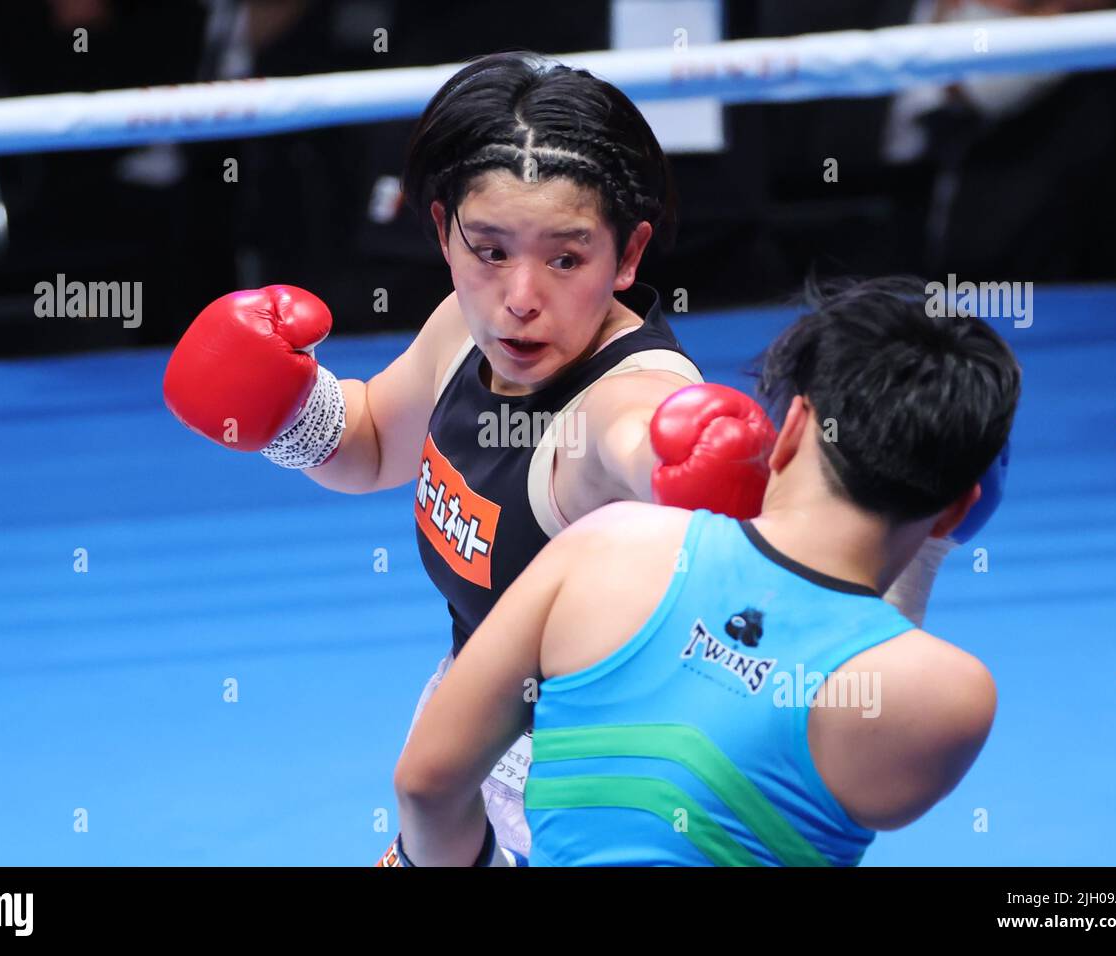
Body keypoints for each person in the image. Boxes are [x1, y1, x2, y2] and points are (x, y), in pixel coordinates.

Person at [162, 51, 775, 860]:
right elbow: (374, 437)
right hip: (472, 746)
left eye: (566, 257)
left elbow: (633, 440)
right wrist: (285, 408)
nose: (521, 295)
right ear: (444, 231)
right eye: (491, 250)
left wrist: (685, 462)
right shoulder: (466, 326)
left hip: (602, 797)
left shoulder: (624, 402)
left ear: (627, 257)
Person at [389, 277, 1021, 866]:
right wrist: (930, 550)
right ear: (960, 509)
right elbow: (866, 747)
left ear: (794, 425)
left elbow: (426, 783)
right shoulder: (949, 696)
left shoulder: (604, 546)